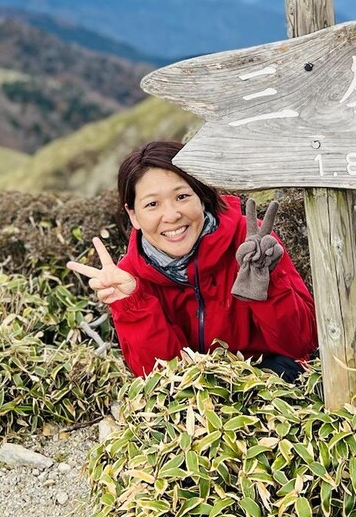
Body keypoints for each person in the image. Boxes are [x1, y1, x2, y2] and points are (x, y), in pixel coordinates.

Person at [66, 140, 318, 379]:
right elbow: (160, 379)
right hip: (193, 396)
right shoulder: (129, 278)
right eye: (152, 204)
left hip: (269, 380)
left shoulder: (250, 242)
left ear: (201, 196)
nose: (171, 215)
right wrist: (133, 305)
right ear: (133, 215)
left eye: (182, 197)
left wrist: (267, 281)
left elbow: (302, 346)